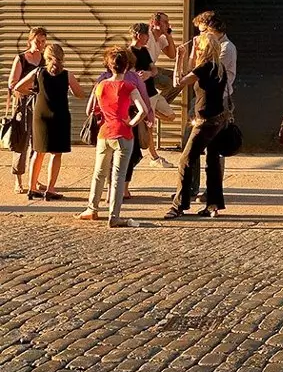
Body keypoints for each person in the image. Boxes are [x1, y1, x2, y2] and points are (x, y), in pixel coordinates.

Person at [77, 47, 149, 228]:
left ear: (109, 66)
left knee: (99, 173)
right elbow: (143, 111)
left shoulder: (100, 86)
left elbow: (89, 110)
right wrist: (131, 122)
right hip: (123, 134)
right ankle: (114, 215)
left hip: (104, 133)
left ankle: (91, 209)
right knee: (118, 176)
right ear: (127, 67)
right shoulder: (129, 87)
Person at [162, 33, 230, 219]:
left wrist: (179, 57)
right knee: (212, 162)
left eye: (197, 46)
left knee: (186, 160)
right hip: (219, 120)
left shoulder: (205, 67)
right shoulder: (219, 67)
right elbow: (193, 70)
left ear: (203, 48)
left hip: (205, 121)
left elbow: (178, 82)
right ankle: (213, 205)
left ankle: (179, 206)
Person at [15, 43, 85, 200]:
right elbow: (80, 94)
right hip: (60, 116)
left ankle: (32, 188)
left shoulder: (38, 72)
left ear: (46, 57)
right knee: (56, 153)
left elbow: (18, 87)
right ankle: (50, 189)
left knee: (38, 152)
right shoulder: (67, 75)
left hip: (41, 115)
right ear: (62, 57)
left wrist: (33, 91)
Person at [6, 26, 46, 193]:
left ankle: (33, 179)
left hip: (39, 105)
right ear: (30, 40)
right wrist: (29, 91)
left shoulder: (45, 59)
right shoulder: (22, 59)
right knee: (21, 142)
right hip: (24, 105)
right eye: (37, 41)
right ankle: (18, 179)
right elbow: (12, 84)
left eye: (43, 41)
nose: (40, 44)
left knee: (37, 143)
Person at [129, 23, 174, 167]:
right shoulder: (128, 53)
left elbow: (154, 70)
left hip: (153, 92)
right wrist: (136, 76)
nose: (148, 37)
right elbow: (126, 74)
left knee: (170, 116)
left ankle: (148, 116)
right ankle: (154, 158)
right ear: (138, 35)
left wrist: (149, 73)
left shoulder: (145, 51)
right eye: (146, 35)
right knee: (150, 127)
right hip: (142, 94)